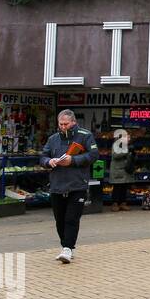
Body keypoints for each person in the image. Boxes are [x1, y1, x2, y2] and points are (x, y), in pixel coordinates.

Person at [39, 109, 99, 264]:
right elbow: (43, 156)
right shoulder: (53, 139)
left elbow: (93, 156)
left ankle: (67, 248)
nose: (63, 127)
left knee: (71, 218)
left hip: (77, 184)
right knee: (59, 219)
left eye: (66, 124)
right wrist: (48, 162)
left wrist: (73, 160)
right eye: (61, 124)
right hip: (57, 184)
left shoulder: (86, 136)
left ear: (73, 122)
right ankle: (66, 247)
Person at [108, 127, 133, 212]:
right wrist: (126, 151)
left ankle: (123, 203)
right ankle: (115, 204)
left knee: (124, 187)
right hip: (117, 170)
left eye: (129, 137)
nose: (129, 139)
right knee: (117, 187)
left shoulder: (127, 145)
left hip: (125, 170)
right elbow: (115, 155)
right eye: (127, 137)